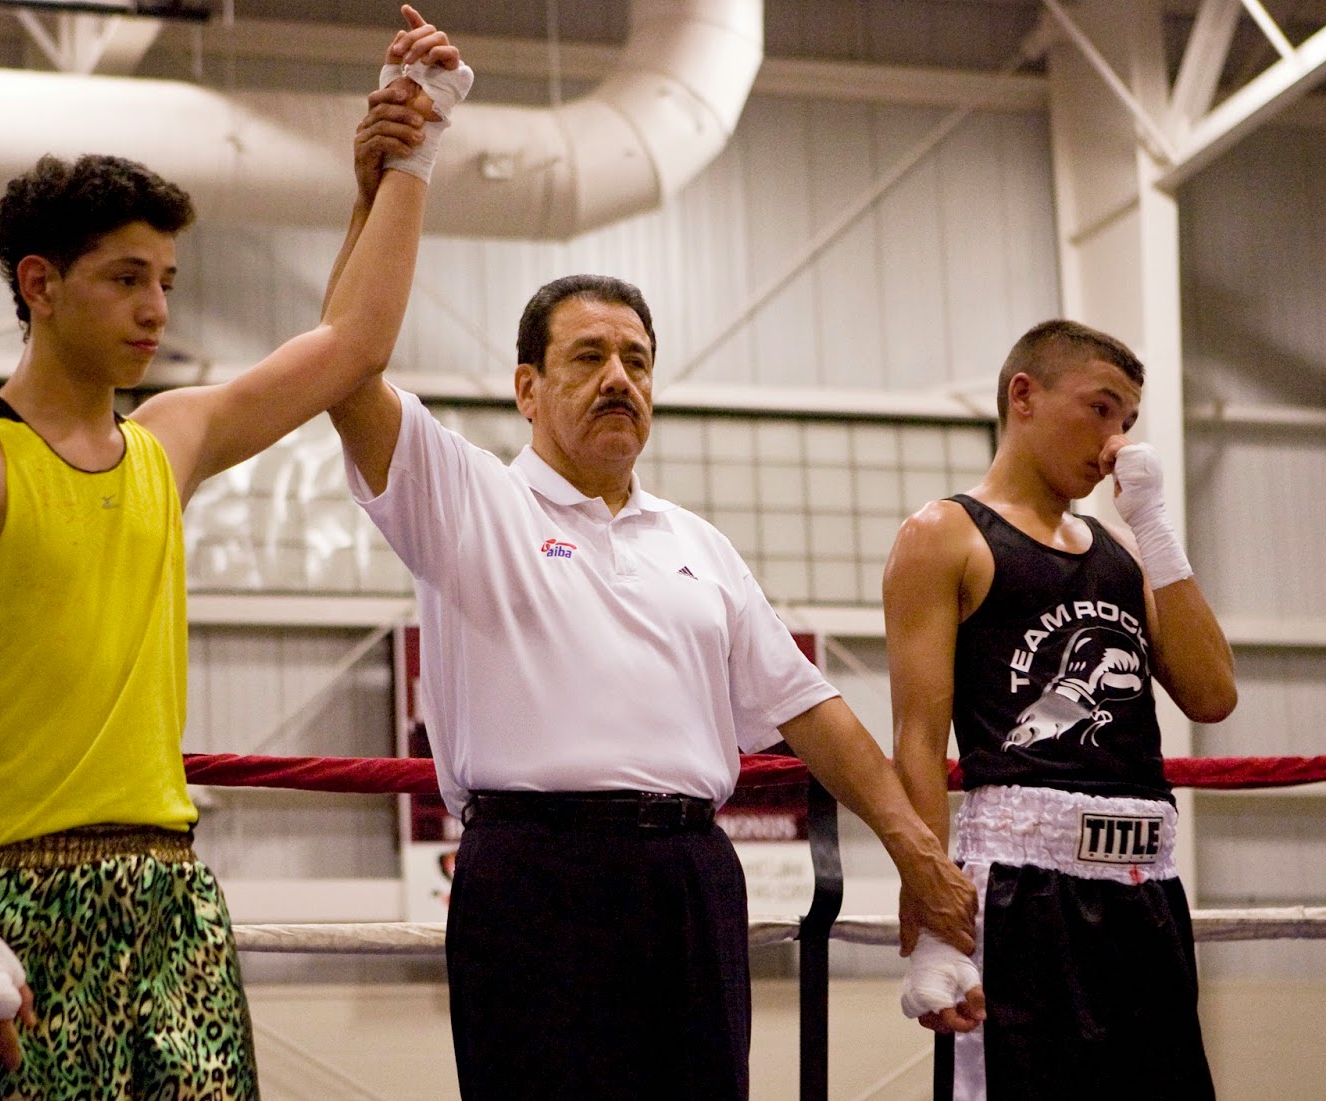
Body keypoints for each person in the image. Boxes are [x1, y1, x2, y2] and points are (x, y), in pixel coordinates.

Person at [0, 8, 470, 1097]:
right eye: (126, 279)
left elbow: (352, 349)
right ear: (40, 285)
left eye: (167, 281)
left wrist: (406, 158)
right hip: (8, 898)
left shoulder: (168, 439)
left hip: (169, 891)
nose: (154, 309)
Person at [324, 271, 979, 1100]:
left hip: (688, 877)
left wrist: (915, 851)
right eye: (589, 356)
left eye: (637, 360)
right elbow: (345, 370)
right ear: (527, 387)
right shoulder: (469, 499)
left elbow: (806, 705)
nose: (618, 379)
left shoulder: (699, 544)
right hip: (532, 878)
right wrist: (386, 185)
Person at [883, 318, 1238, 1099]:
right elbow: (916, 733)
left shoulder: (1124, 549)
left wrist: (1153, 523)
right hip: (1021, 894)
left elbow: (1213, 694)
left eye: (1129, 422)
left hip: (1147, 891)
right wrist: (935, 914)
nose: (1116, 442)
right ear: (1025, 396)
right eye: (1101, 409)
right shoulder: (946, 534)